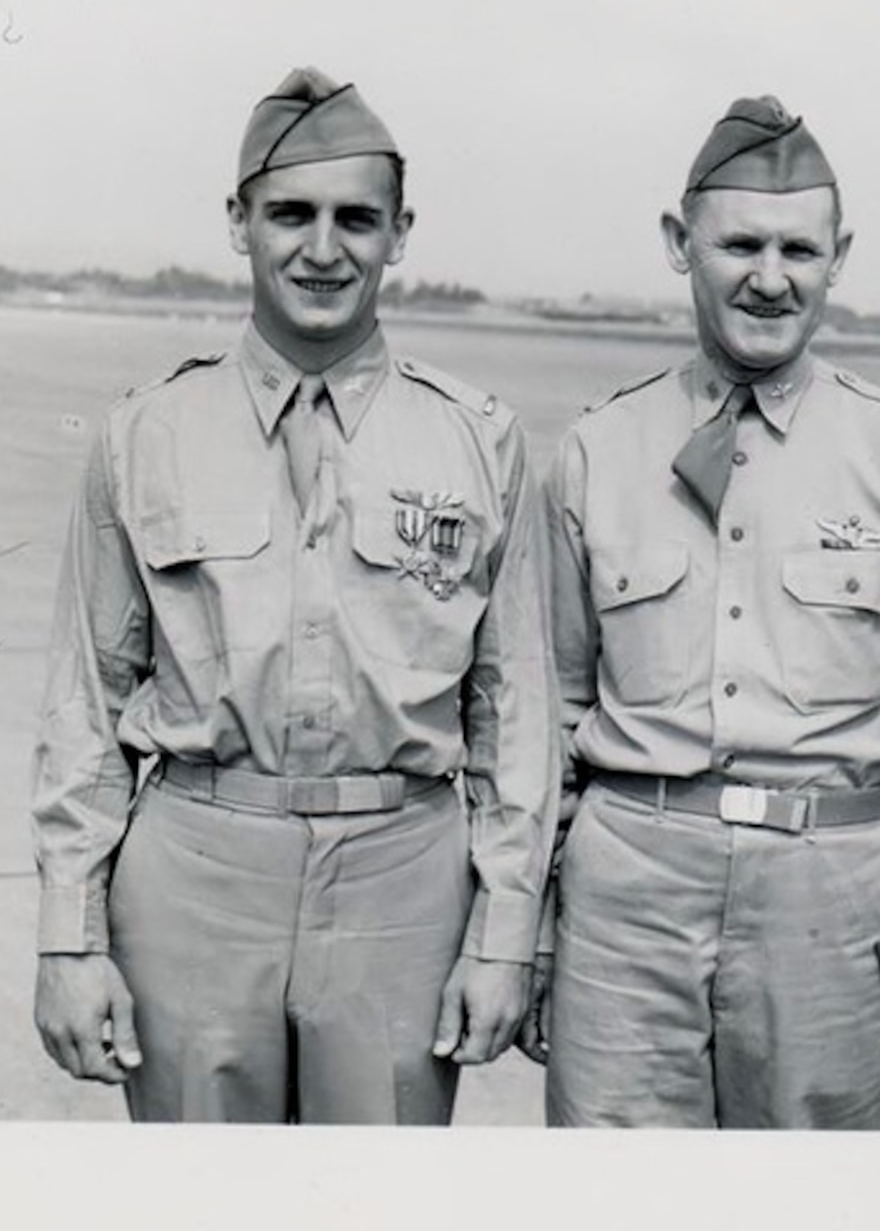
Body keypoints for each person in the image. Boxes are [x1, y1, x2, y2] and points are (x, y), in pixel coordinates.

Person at [29, 67, 556, 1124]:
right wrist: (67, 936)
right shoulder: (148, 432)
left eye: (357, 218)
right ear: (238, 221)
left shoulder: (478, 436)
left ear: (400, 231)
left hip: (403, 878)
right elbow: (85, 705)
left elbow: (517, 719)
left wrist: (503, 935)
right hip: (195, 870)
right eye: (290, 215)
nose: (324, 249)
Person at [523, 95, 880, 1128]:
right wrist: (531, 925)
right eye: (739, 242)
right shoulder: (595, 451)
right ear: (677, 242)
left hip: (831, 896)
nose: (769, 275)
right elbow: (546, 713)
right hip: (626, 890)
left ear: (838, 257)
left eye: (799, 247)